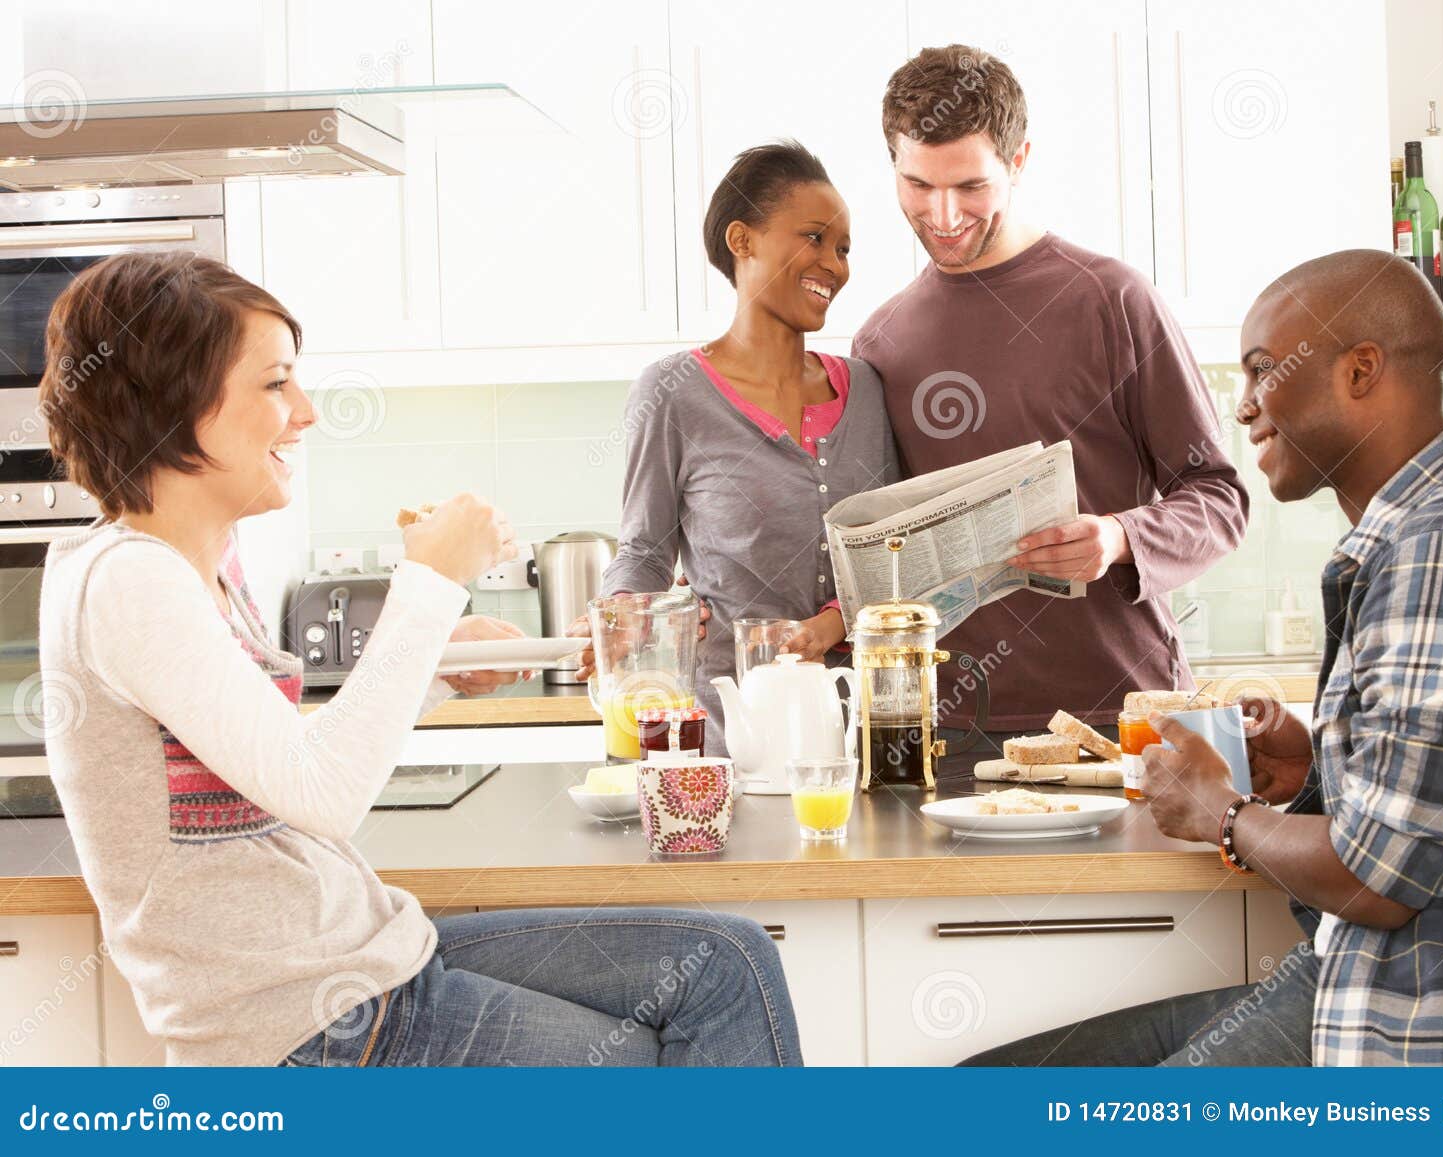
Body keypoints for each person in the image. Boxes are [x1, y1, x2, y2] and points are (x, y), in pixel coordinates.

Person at [38, 250, 802, 1067]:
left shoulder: (203, 565)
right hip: (301, 1028)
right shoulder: (128, 581)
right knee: (631, 1066)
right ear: (175, 402)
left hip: (363, 964)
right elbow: (321, 793)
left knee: (725, 964)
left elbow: (282, 762)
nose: (305, 412)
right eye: (274, 383)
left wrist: (432, 669)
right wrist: (430, 577)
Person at [964, 249, 1443, 1066]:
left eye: (1264, 371)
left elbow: (1380, 880)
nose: (1247, 405)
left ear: (1361, 370)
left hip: (1438, 1034)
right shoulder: (1431, 533)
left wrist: (1221, 810)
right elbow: (1429, 811)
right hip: (1358, 981)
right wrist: (1311, 770)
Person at [854, 46, 1248, 772]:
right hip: (952, 742)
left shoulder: (1112, 300)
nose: (942, 215)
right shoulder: (881, 341)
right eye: (917, 184)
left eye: (971, 185)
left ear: (1020, 159)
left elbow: (1221, 500)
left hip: (1123, 725)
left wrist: (1118, 535)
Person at [594, 140, 899, 754]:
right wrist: (625, 613)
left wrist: (827, 627)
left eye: (843, 249)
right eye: (814, 238)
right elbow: (643, 552)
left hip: (864, 737)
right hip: (728, 741)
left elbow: (891, 556)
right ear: (743, 241)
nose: (834, 265)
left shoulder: (865, 386)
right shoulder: (674, 392)